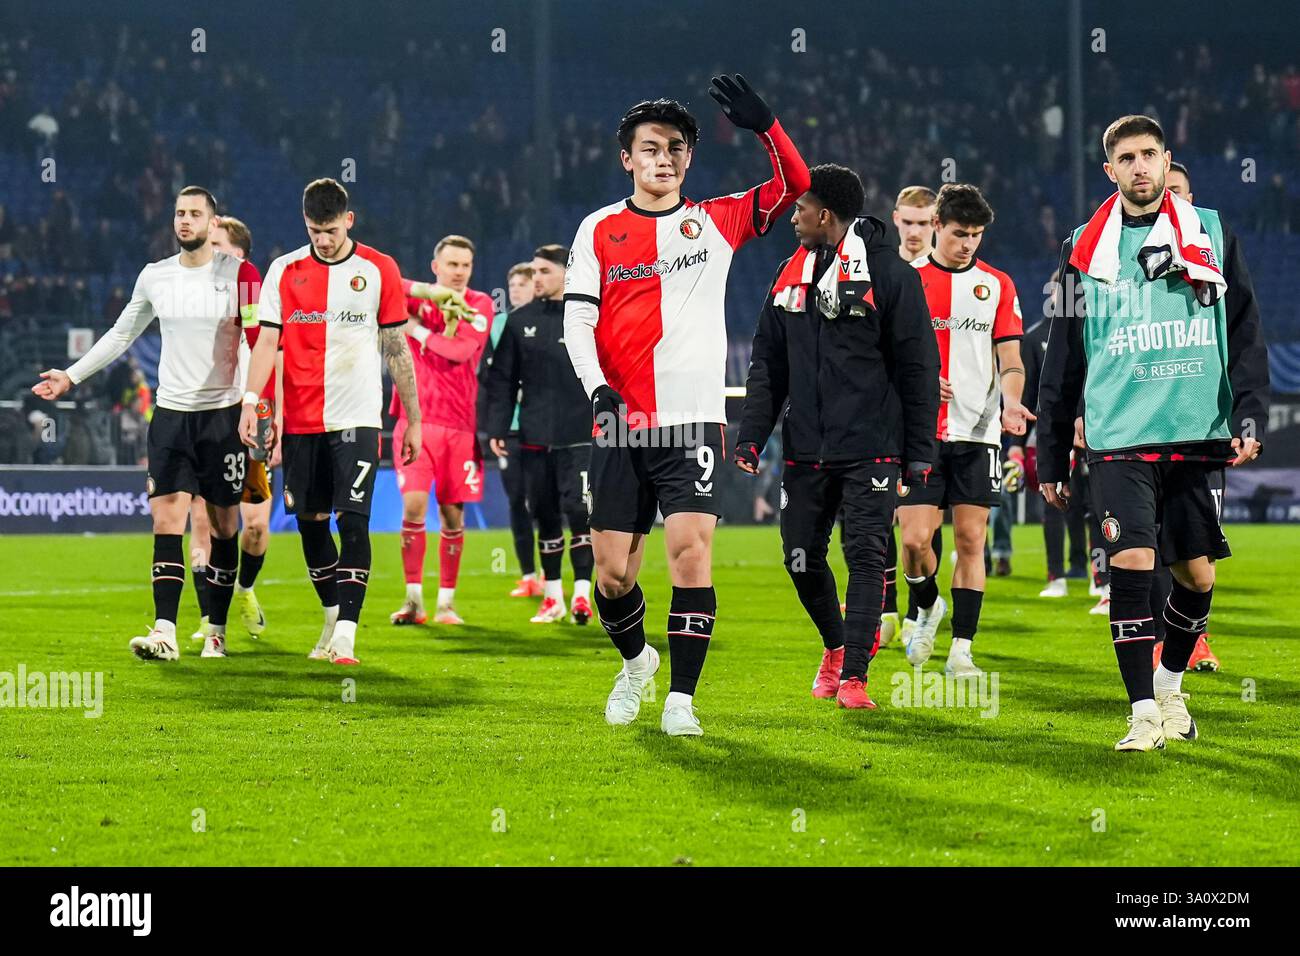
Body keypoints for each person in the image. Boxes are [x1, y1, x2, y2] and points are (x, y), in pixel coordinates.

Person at [564, 75, 809, 736]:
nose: (663, 157)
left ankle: (682, 700)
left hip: (693, 421)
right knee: (612, 576)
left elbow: (795, 186)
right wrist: (598, 390)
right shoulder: (598, 230)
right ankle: (637, 661)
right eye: (649, 148)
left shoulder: (717, 221)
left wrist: (767, 128)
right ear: (627, 158)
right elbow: (576, 323)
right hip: (619, 421)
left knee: (691, 555)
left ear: (689, 158)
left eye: (675, 146)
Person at [1038, 116, 1268, 752]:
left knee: (1197, 581)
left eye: (1149, 154)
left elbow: (1245, 328)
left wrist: (1249, 412)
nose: (1140, 167)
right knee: (1132, 565)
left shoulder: (1212, 232)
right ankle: (1142, 713)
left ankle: (1168, 685)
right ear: (1109, 170)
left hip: (1194, 429)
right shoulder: (1081, 248)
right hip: (1119, 434)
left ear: (1167, 161)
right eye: (1126, 158)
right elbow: (1064, 358)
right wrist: (1052, 455)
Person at [736, 164, 938, 708]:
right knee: (799, 555)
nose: (793, 217)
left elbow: (918, 368)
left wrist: (918, 454)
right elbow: (768, 363)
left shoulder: (890, 275)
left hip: (872, 446)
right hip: (805, 448)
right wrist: (752, 435)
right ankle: (835, 645)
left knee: (866, 556)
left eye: (799, 208)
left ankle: (854, 678)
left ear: (825, 215)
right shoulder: (787, 274)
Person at [32, 186, 258, 661]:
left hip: (222, 415)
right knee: (166, 520)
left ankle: (215, 629)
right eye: (179, 213)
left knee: (222, 526)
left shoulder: (242, 275)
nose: (185, 221)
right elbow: (121, 334)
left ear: (212, 223)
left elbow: (258, 341)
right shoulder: (156, 277)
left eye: (195, 214)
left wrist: (255, 405)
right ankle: (165, 631)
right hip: (172, 416)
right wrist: (71, 376)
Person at [239, 178, 422, 665]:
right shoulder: (284, 270)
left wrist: (414, 420)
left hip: (358, 416)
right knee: (311, 525)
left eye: (330, 230)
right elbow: (265, 344)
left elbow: (397, 349)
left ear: (349, 221)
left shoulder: (378, 268)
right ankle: (330, 618)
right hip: (301, 422)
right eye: (314, 230)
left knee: (354, 521)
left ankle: (346, 634)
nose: (323, 239)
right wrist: (250, 401)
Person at [897, 183, 1032, 677]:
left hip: (978, 434)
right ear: (936, 225)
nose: (969, 244)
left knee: (972, 540)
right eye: (959, 233)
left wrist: (1013, 403)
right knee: (914, 541)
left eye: (976, 235)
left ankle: (962, 651)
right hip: (918, 435)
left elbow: (1011, 359)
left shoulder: (998, 284)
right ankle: (928, 605)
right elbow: (877, 357)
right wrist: (916, 379)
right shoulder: (904, 280)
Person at [388, 236, 495, 626]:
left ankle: (446, 604)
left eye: (465, 265)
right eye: (451, 264)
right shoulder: (422, 296)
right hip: (414, 421)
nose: (459, 272)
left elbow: (460, 352)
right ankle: (413, 600)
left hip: (459, 426)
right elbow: (384, 283)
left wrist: (414, 331)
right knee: (413, 507)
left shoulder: (480, 304)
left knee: (452, 516)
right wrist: (426, 293)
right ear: (436, 267)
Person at [485, 245, 594, 625]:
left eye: (544, 271)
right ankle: (553, 598)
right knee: (544, 514)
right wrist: (497, 426)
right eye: (533, 271)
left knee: (580, 511)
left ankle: (582, 595)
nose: (536, 279)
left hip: (581, 435)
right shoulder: (519, 321)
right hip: (533, 437)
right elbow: (500, 379)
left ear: (567, 272)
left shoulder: (587, 316)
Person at [210, 214, 281, 638]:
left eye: (218, 246)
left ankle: (245, 588)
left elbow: (278, 359)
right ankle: (208, 621)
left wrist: (278, 418)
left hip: (254, 417)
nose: (210, 253)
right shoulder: (194, 300)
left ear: (240, 257)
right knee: (208, 524)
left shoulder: (261, 302)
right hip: (208, 418)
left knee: (254, 525)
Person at [889, 186, 945, 649]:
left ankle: (915, 610)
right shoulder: (882, 271)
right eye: (907, 222)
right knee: (877, 518)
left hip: (944, 423)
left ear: (936, 224)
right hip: (887, 419)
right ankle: (888, 607)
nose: (913, 232)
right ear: (894, 219)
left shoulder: (947, 274)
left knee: (926, 529)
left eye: (923, 223)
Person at [482, 262, 542, 599]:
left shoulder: (552, 321)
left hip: (544, 427)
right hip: (512, 430)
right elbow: (490, 379)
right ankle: (528, 575)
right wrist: (497, 425)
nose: (516, 289)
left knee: (548, 504)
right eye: (513, 283)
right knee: (517, 501)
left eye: (523, 283)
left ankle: (559, 580)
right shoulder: (498, 326)